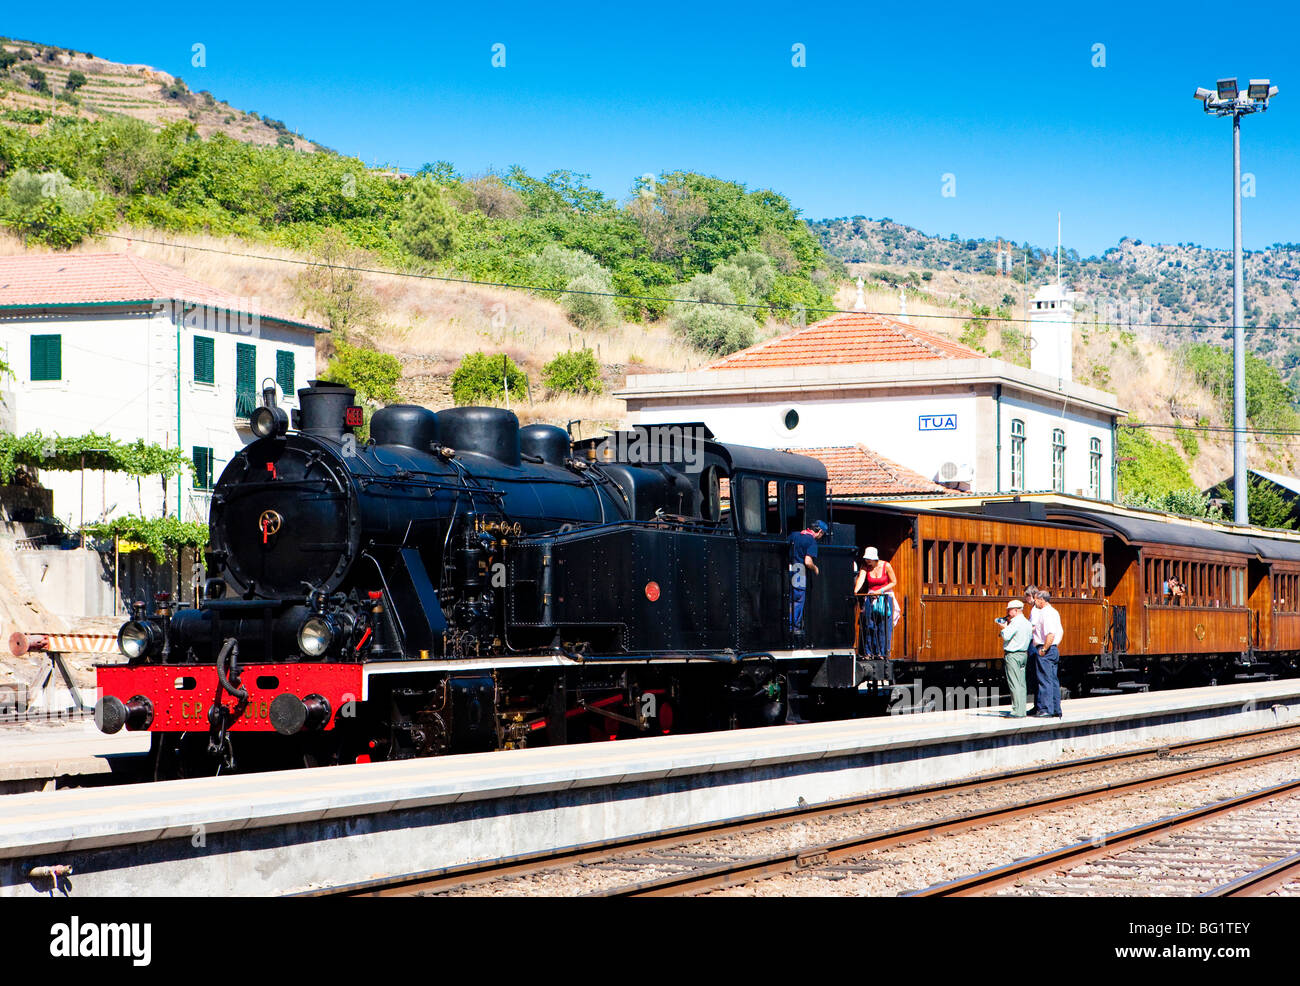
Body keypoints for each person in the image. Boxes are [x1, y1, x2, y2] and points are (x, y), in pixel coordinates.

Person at [788, 520, 828, 636]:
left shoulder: (794, 535)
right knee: (798, 600)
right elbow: (808, 562)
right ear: (819, 531)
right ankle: (794, 627)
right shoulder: (812, 542)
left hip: (788, 569)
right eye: (822, 535)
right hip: (799, 571)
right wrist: (815, 569)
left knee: (789, 599)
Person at [855, 547, 897, 658]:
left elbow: (894, 582)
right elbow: (861, 579)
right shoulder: (865, 567)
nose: (867, 561)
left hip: (885, 598)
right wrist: (855, 591)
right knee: (870, 625)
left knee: (883, 626)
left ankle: (882, 653)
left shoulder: (886, 566)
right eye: (866, 558)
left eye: (869, 558)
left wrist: (881, 590)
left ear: (875, 558)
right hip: (871, 597)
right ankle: (869, 652)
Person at [1030, 589, 1064, 718]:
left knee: (1044, 680)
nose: (1035, 602)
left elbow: (1050, 634)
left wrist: (1044, 649)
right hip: (1053, 649)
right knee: (1053, 680)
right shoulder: (1054, 612)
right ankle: (1055, 709)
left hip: (1047, 649)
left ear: (1042, 600)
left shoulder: (1046, 613)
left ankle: (1046, 709)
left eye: (1036, 599)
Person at [997, 599, 1033, 717]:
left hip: (1013, 655)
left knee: (1014, 683)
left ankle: (1017, 711)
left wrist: (1003, 627)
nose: (1007, 612)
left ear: (1016, 610)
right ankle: (1022, 709)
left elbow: (1006, 636)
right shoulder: (1027, 622)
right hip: (1023, 654)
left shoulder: (1015, 622)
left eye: (1009, 610)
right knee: (1022, 683)